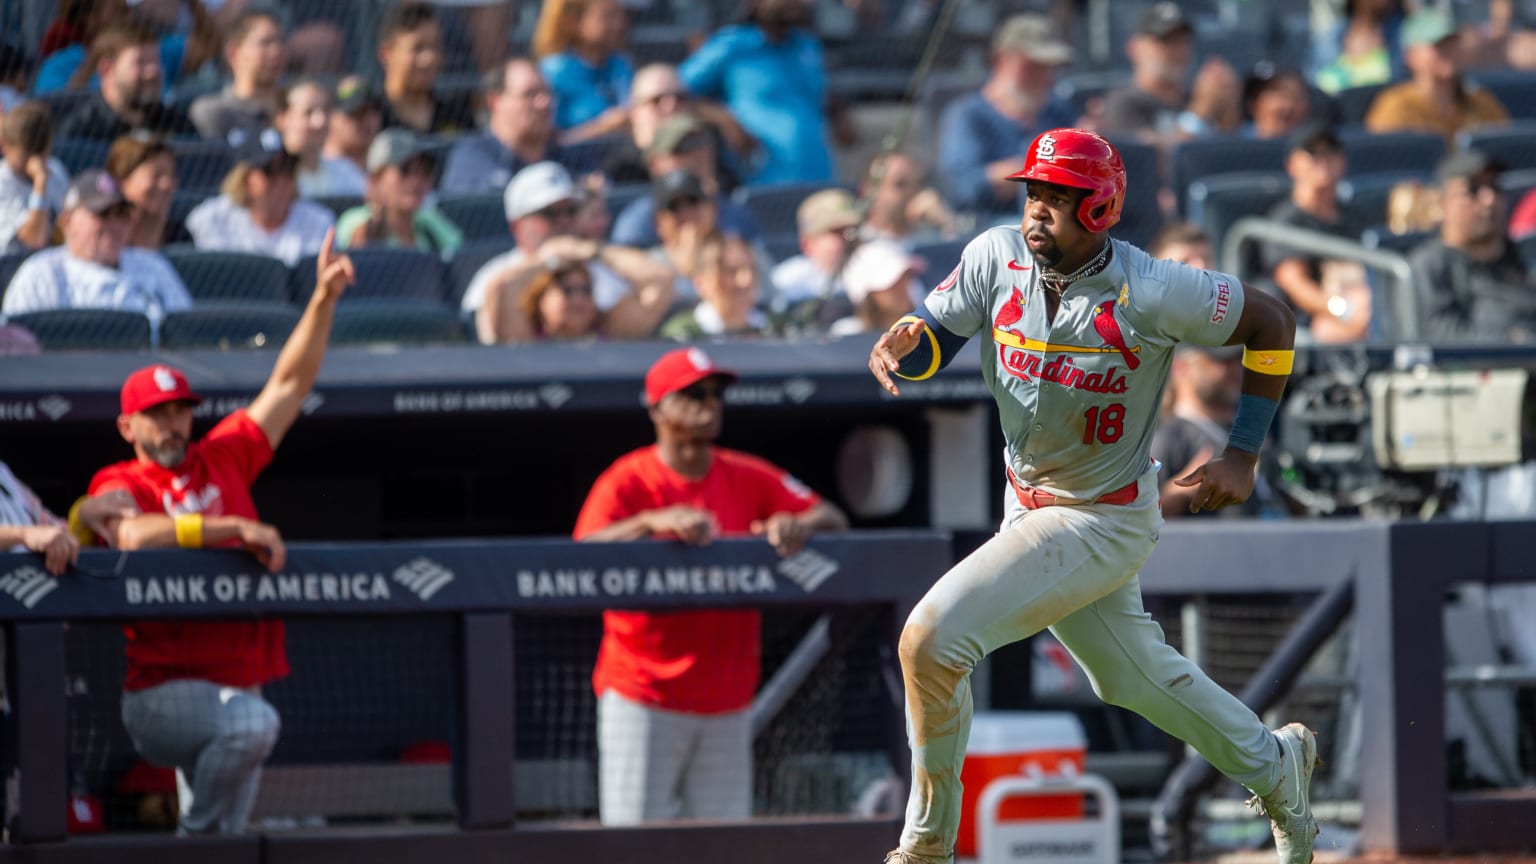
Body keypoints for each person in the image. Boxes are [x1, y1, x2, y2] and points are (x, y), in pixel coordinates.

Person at [865, 128, 1315, 864]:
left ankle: (926, 847)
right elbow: (939, 334)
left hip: (1100, 518)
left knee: (932, 640)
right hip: (1028, 499)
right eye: (1033, 193)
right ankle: (1274, 763)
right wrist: (908, 341)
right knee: (1131, 678)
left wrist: (1244, 450)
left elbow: (1273, 321)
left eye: (1058, 198)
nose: (1037, 210)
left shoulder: (1155, 286)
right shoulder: (993, 255)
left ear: (1100, 208)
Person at [82, 230, 355, 836]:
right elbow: (129, 534)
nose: (173, 421)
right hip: (163, 691)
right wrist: (230, 526)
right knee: (253, 730)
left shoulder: (223, 455)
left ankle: (203, 842)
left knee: (235, 820)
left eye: (179, 408)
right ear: (129, 425)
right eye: (156, 414)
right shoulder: (118, 476)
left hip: (237, 672)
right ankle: (193, 841)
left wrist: (322, 300)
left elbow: (288, 387)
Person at [575, 346, 848, 824]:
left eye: (717, 393)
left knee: (725, 845)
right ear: (657, 407)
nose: (710, 403)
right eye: (694, 393)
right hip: (644, 693)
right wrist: (651, 522)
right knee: (636, 845)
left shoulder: (743, 473)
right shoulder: (628, 480)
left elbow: (833, 518)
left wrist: (795, 523)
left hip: (727, 698)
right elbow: (580, 553)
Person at [463, 161, 674, 343]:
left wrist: (591, 249)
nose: (563, 221)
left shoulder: (597, 263)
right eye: (550, 213)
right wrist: (546, 260)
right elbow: (497, 328)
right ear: (517, 225)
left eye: (570, 211)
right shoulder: (497, 271)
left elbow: (660, 279)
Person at [1, 170, 191, 333]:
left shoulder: (153, 265)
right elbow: (18, 345)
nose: (115, 224)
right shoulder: (41, 274)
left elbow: (186, 331)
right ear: (66, 221)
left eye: (122, 214)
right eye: (103, 214)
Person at [679, 0, 836, 185]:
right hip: (763, 184)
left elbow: (815, 97)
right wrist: (723, 118)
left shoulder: (808, 46)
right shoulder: (733, 45)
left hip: (819, 176)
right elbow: (676, 91)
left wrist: (838, 113)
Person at [936, 14, 1076, 219]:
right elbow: (962, 188)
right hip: (995, 232)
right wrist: (1034, 171)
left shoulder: (1059, 113)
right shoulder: (969, 117)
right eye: (1033, 66)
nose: (1044, 77)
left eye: (1049, 67)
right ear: (1001, 60)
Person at [1259, 123, 1371, 343]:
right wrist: (1343, 309)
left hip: (1363, 307)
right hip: (1314, 320)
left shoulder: (1354, 215)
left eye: (1331, 152)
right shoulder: (1287, 219)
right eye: (1313, 154)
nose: (1323, 160)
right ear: (1292, 164)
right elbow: (1293, 282)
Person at [1410, 150, 1536, 342]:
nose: (1489, 200)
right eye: (1473, 189)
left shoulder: (1525, 257)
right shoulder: (1430, 266)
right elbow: (1440, 338)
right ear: (1443, 203)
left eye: (1494, 187)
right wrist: (1514, 344)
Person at [439, 58, 597, 196]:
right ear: (495, 102)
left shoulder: (570, 155)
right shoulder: (473, 156)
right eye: (530, 94)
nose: (545, 103)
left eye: (548, 93)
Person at [609, 113, 761, 250]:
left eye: (704, 143)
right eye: (683, 147)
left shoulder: (734, 212)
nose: (698, 154)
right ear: (655, 163)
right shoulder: (638, 222)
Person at [185, 128, 335, 266]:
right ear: (244, 177)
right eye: (269, 171)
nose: (281, 179)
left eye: (288, 168)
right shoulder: (212, 218)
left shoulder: (319, 222)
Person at [1364, 8, 1508, 143]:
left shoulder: (1483, 104)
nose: (1448, 51)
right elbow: (1384, 158)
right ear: (1411, 56)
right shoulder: (1396, 108)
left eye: (1453, 43)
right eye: (1438, 45)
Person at [602, 62, 756, 188]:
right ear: (634, 110)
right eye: (657, 100)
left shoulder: (706, 154)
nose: (671, 106)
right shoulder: (617, 172)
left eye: (680, 98)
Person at [56, 20, 198, 141]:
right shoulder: (79, 132)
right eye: (141, 62)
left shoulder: (178, 127)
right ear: (107, 69)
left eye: (157, 61)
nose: (153, 71)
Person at [336, 127, 463, 258]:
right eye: (405, 170)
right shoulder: (355, 221)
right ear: (376, 179)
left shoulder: (429, 220)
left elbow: (459, 259)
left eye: (426, 170)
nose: (417, 181)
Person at [0, 461, 137, 576]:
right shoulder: (25, 532)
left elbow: (53, 534)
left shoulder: (3, 473)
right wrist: (22, 535)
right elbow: (32, 534)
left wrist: (82, 514)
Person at [533, 0, 632, 137]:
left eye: (620, 16)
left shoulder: (620, 65)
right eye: (608, 16)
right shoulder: (554, 72)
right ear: (574, 22)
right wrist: (602, 127)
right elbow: (546, 142)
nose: (619, 25)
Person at [374, 2, 475, 136]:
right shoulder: (371, 118)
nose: (430, 58)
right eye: (417, 48)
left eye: (436, 46)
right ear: (386, 54)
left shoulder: (458, 116)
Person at [188, 8, 286, 141]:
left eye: (280, 42)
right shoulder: (214, 112)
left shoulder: (300, 111)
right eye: (265, 43)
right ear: (233, 54)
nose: (276, 51)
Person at [658, 233, 768, 341]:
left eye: (752, 270)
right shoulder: (682, 334)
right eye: (730, 272)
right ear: (700, 282)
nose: (746, 280)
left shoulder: (773, 328)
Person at [769, 188, 861, 308]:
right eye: (837, 232)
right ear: (807, 244)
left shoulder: (880, 272)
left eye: (853, 230)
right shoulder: (786, 283)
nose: (849, 237)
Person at [276, 79, 367, 199]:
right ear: (283, 120)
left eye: (325, 110)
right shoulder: (272, 178)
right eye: (308, 113)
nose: (320, 121)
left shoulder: (345, 171)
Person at [0, 101, 69, 251]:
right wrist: (40, 183)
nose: (35, 161)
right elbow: (33, 240)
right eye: (26, 155)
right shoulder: (2, 182)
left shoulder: (55, 168)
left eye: (41, 153)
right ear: (5, 146)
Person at [105, 132, 187, 248]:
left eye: (172, 175)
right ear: (122, 179)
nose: (167, 184)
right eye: (156, 175)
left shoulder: (180, 236)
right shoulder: (104, 238)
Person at [828, 237, 924, 336]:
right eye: (891, 283)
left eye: (905, 276)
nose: (902, 287)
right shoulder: (845, 334)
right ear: (868, 294)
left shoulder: (930, 330)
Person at [860, 151, 955, 247]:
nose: (911, 192)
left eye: (917, 183)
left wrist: (946, 224)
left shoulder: (928, 237)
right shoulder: (857, 244)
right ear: (869, 190)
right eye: (900, 184)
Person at [322, 75, 385, 186]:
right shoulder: (315, 170)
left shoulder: (387, 170)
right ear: (330, 118)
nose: (367, 121)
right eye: (356, 113)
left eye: (374, 112)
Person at [1244, 65, 1314, 141]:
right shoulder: (1235, 144)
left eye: (1296, 97)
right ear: (1253, 103)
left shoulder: (1315, 146)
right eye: (1280, 95)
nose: (1288, 106)